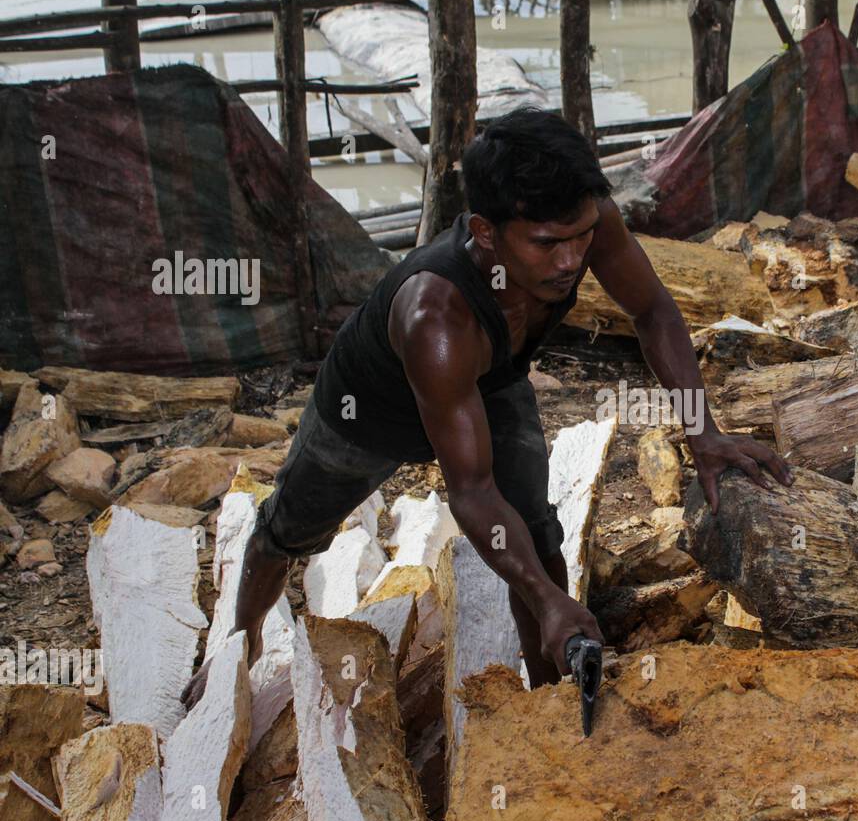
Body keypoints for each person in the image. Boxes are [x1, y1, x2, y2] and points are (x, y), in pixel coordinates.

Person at [181, 106, 792, 708]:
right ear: (484, 232)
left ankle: (551, 702)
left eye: (581, 238)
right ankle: (242, 639)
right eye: (549, 245)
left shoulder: (581, 222)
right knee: (286, 533)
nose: (571, 261)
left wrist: (702, 431)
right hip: (366, 413)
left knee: (537, 533)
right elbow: (469, 492)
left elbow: (652, 310)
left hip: (490, 379)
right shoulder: (436, 318)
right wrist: (544, 597)